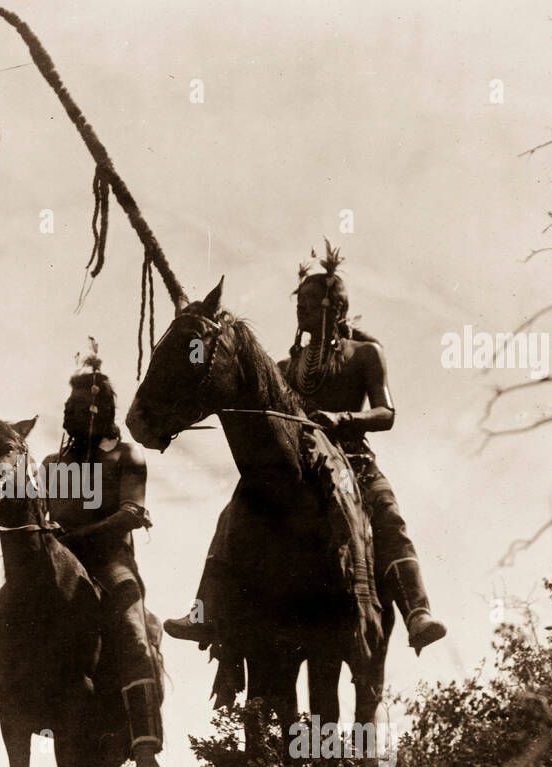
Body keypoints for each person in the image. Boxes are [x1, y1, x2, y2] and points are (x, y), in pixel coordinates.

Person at [165, 243, 447, 654]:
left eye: (312, 302)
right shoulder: (283, 369)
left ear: (337, 306)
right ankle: (205, 612)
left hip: (353, 462)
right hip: (298, 464)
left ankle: (416, 611)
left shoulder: (365, 354)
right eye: (300, 303)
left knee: (387, 515)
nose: (302, 309)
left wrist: (342, 419)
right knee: (234, 512)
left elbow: (386, 413)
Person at [0, 353, 165, 767]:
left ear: (103, 413)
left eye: (80, 410)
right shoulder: (52, 465)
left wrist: (76, 536)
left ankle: (144, 739)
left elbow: (133, 511)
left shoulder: (126, 457)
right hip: (56, 563)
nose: (71, 417)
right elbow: (35, 510)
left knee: (132, 628)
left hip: (110, 562)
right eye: (67, 411)